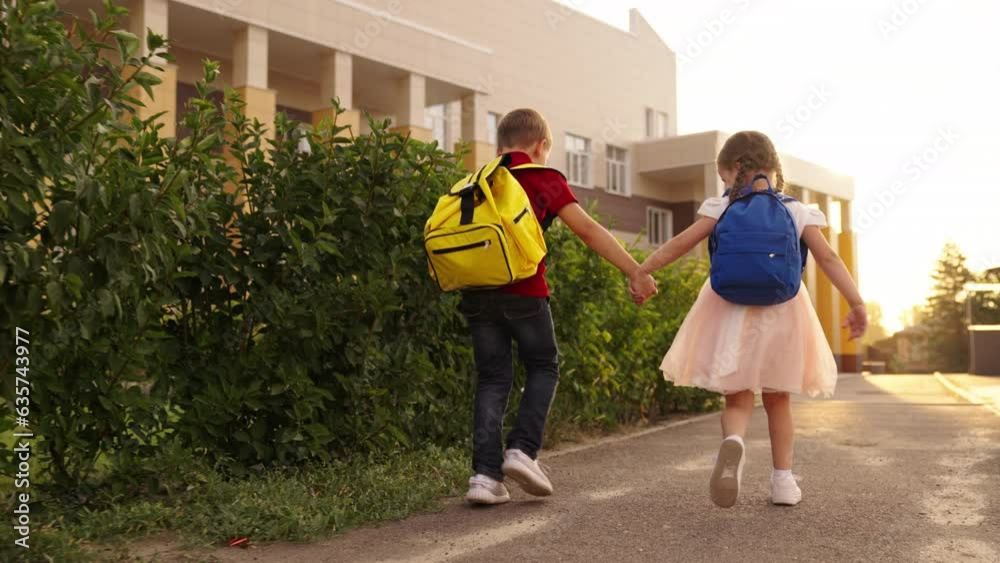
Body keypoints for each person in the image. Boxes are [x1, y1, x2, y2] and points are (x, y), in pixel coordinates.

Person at [635, 131, 867, 507]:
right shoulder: (796, 210)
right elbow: (829, 258)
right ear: (774, 169)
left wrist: (642, 270)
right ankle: (783, 482)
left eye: (724, 177)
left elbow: (680, 243)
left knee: (737, 397)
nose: (725, 185)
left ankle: (734, 442)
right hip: (783, 310)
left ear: (734, 169)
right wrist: (856, 302)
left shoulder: (721, 207)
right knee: (778, 399)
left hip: (729, 308)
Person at [463, 108, 658, 505]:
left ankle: (484, 477)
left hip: (477, 294)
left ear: (500, 147)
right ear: (541, 146)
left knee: (492, 380)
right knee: (543, 365)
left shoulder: (477, 182)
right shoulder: (542, 178)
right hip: (525, 292)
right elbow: (588, 230)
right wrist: (635, 271)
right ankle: (522, 450)